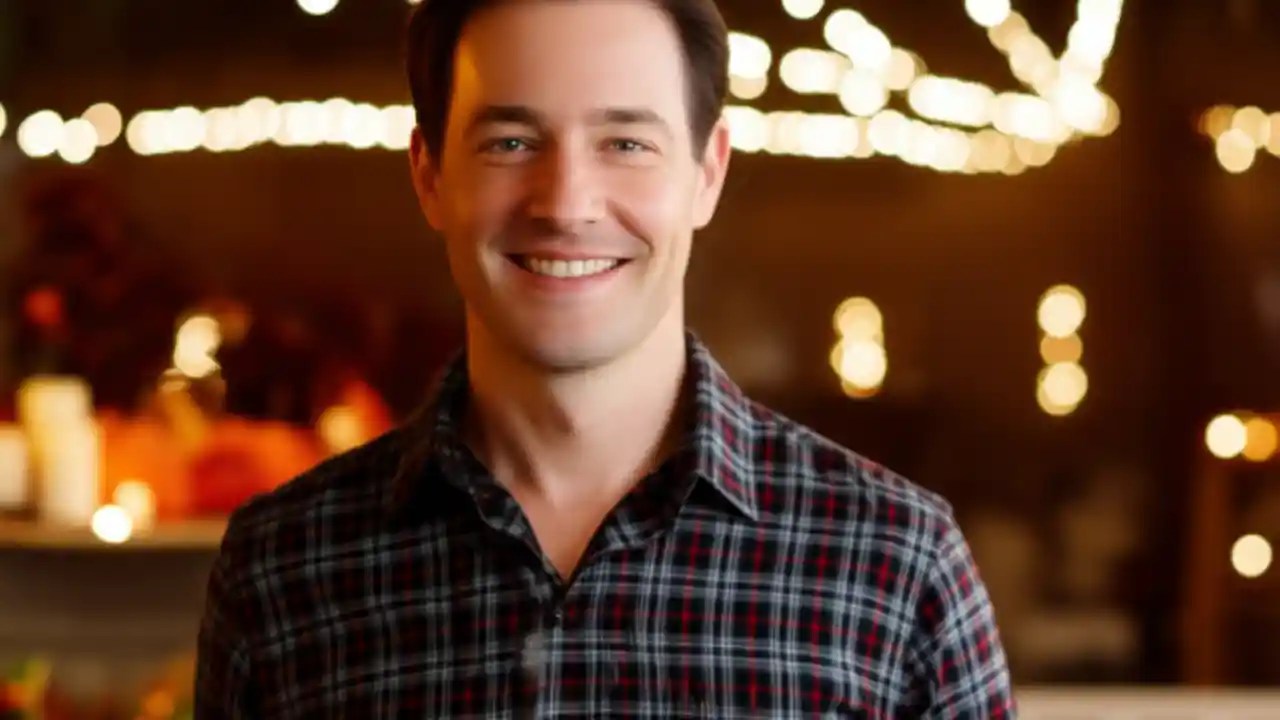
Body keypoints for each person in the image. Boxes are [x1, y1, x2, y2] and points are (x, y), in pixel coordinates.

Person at [195, 0, 1016, 716]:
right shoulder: (282, 567)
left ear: (708, 172)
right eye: (511, 142)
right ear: (429, 174)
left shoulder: (898, 563)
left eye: (625, 143)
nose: (566, 205)